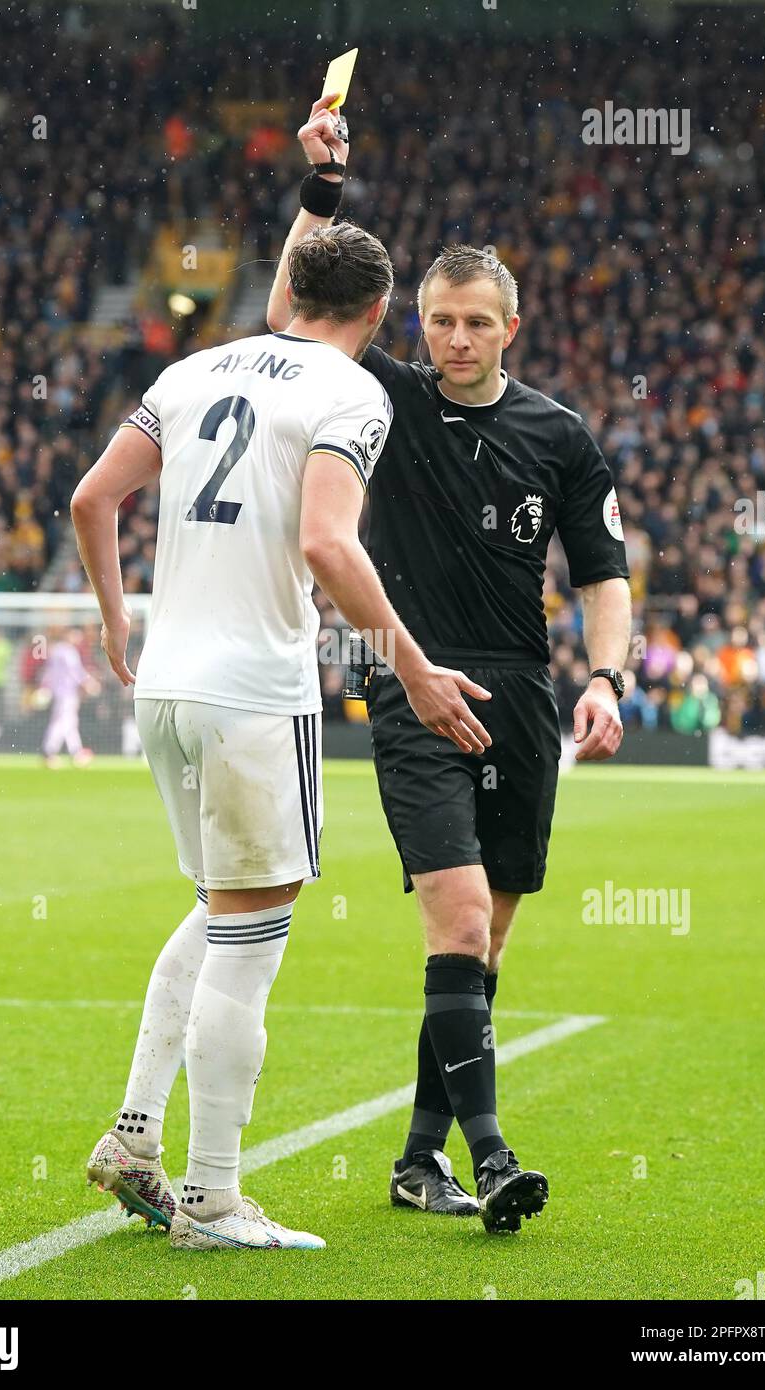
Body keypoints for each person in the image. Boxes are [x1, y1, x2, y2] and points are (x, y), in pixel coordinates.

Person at [71, 212, 492, 1252]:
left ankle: (134, 1137)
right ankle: (212, 1198)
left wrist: (120, 618)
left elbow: (91, 498)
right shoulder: (351, 392)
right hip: (255, 690)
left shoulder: (193, 368)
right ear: (382, 310)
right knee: (253, 938)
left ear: (283, 286)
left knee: (219, 908)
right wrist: (411, 664)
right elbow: (323, 540)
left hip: (162, 682)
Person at [267, 95, 632, 1234]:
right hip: (414, 680)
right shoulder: (384, 396)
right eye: (437, 320)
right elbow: (288, 318)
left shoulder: (561, 436)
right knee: (460, 919)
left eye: (475, 322)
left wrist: (606, 675)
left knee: (485, 943)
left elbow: (600, 571)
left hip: (519, 695)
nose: (454, 340)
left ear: (509, 326)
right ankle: (493, 1153)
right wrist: (321, 192)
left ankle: (418, 1158)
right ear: (412, 320)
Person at [39, 628, 99, 767]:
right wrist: (89, 683)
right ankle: (58, 752)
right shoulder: (69, 652)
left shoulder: (56, 651)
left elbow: (49, 672)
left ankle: (63, 752)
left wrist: (45, 687)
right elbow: (75, 672)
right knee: (66, 722)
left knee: (64, 722)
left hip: (58, 692)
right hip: (67, 693)